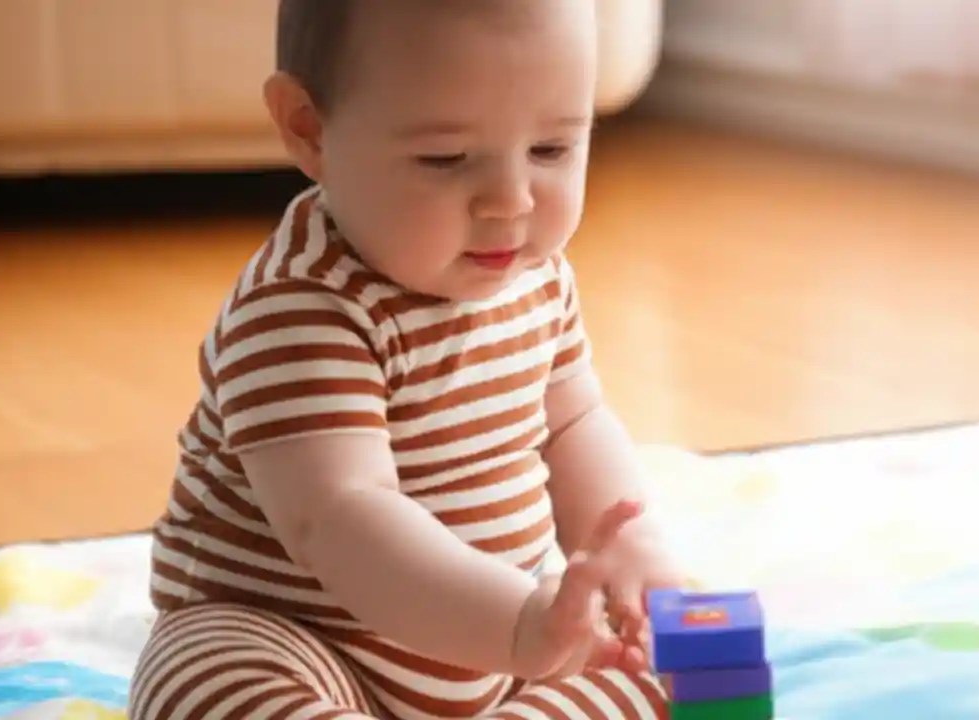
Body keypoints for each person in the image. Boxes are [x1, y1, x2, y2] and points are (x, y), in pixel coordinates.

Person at [128, 1, 684, 718]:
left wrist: (629, 549)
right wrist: (516, 624)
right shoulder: (301, 308)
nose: (510, 201)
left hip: (505, 653)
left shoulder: (538, 278)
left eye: (551, 149)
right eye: (445, 158)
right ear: (309, 127)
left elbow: (575, 421)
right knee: (205, 680)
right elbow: (341, 517)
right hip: (308, 644)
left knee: (662, 673)